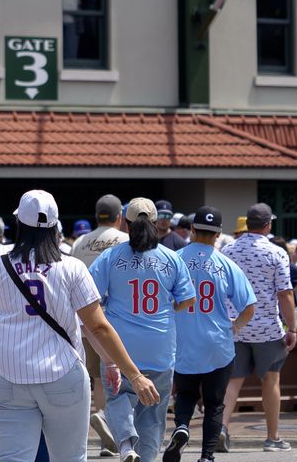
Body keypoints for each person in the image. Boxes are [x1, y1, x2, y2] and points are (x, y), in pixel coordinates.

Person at [0, 190, 157, 462]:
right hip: (61, 374)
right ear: (54, 227)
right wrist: (135, 375)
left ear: (19, 224)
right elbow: (99, 327)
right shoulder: (72, 267)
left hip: (6, 374)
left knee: (12, 457)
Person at [88, 197, 189, 462]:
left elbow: (90, 299)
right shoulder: (171, 258)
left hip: (120, 346)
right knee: (154, 412)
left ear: (125, 223)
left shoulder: (110, 256)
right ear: (155, 224)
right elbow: (187, 299)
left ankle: (125, 445)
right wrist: (170, 308)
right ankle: (145, 457)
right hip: (160, 347)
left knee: (118, 397)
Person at [169, 207, 254, 459]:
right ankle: (206, 456)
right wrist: (235, 326)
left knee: (185, 394)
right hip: (218, 342)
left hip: (183, 341)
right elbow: (249, 307)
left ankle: (182, 426)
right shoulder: (226, 264)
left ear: (192, 230)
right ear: (218, 234)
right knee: (215, 403)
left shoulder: (176, 259)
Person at [220, 204, 297, 452]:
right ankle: (272, 438)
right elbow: (285, 294)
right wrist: (292, 327)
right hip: (267, 328)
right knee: (271, 380)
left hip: (235, 326)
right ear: (268, 225)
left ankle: (221, 429)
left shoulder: (228, 250)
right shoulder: (276, 253)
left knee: (232, 380)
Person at [66, 194, 128, 454]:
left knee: (100, 378)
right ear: (119, 217)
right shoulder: (125, 240)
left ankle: (106, 439)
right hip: (119, 317)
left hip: (87, 319)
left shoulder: (80, 242)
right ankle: (120, 433)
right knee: (122, 375)